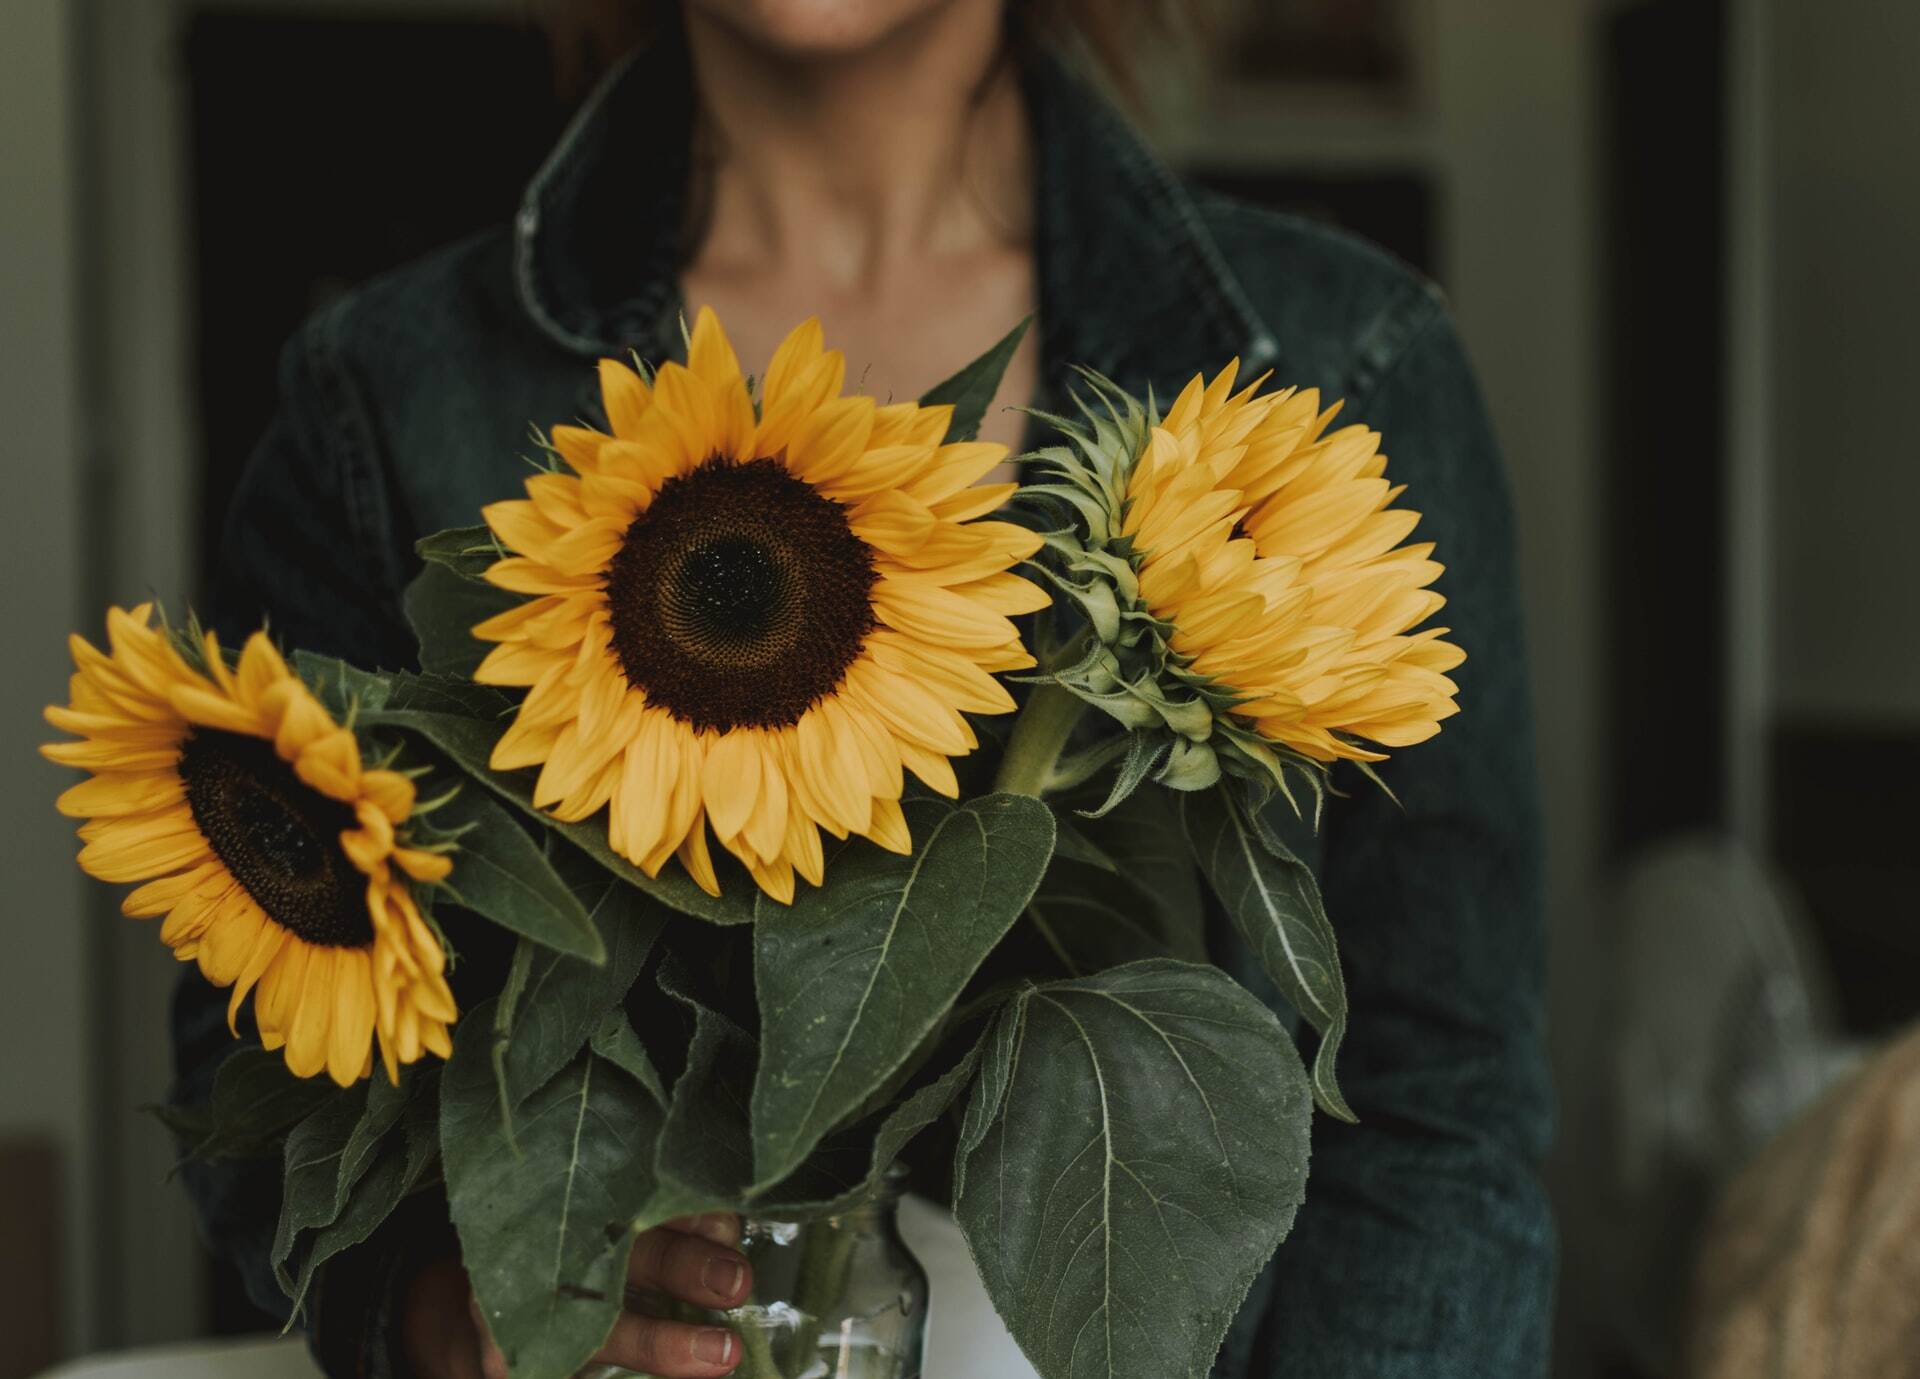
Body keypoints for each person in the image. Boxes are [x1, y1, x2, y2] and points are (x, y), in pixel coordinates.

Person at [181, 1, 1554, 1375]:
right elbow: (258, 1048)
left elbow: (1439, 1116)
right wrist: (440, 1311)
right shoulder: (384, 394)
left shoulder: (1346, 365)